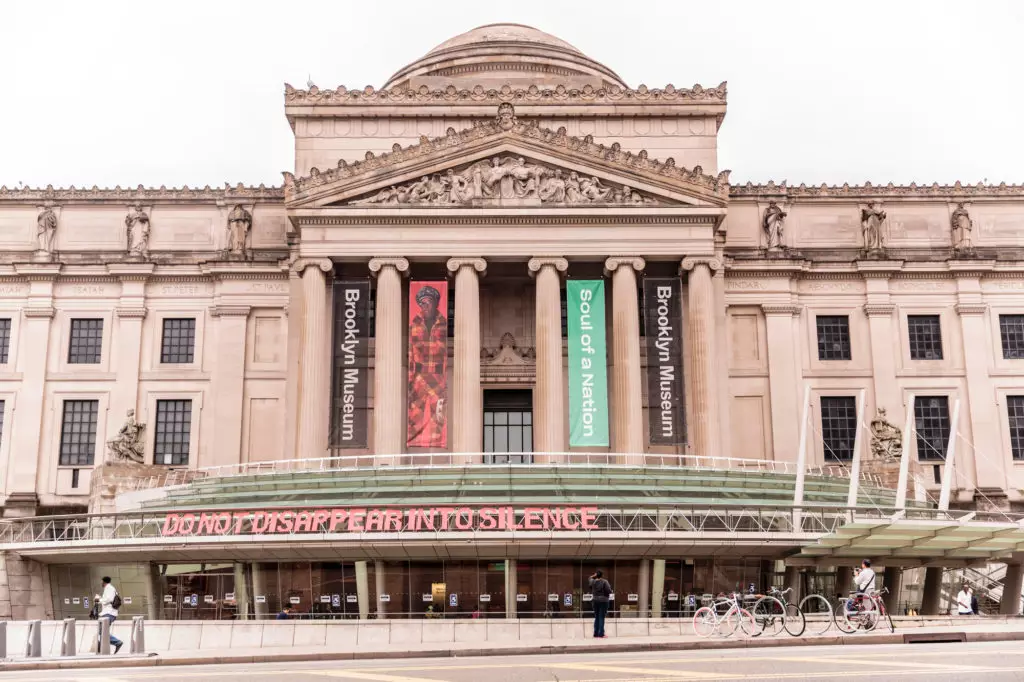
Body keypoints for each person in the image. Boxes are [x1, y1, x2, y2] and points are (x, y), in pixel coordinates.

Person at [96, 576, 123, 654]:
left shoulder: (109, 588)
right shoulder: (109, 588)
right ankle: (100, 648)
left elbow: (109, 599)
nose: (101, 583)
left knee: (102, 632)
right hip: (108, 612)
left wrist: (99, 600)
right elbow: (108, 598)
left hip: (109, 613)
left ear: (104, 582)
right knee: (102, 631)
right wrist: (101, 599)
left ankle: (117, 642)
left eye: (101, 581)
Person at [589, 570, 612, 639]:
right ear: (602, 575)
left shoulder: (592, 581)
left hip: (595, 600)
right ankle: (601, 634)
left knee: (597, 617)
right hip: (603, 601)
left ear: (596, 575)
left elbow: (589, 578)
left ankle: (596, 634)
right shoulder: (605, 581)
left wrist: (593, 576)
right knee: (601, 617)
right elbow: (609, 591)